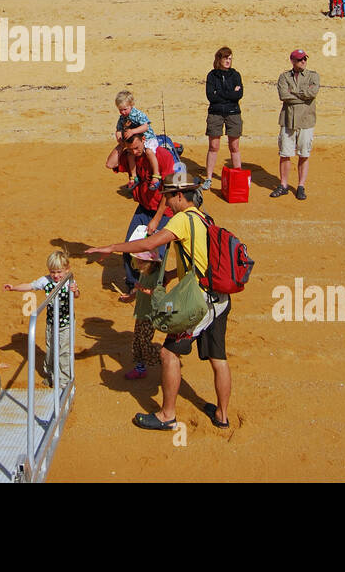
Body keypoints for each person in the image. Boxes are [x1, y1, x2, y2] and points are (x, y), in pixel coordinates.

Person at [86, 171, 232, 430]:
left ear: (178, 195)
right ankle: (221, 415)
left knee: (168, 353)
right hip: (220, 297)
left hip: (199, 303)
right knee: (218, 358)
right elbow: (200, 261)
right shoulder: (204, 217)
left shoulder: (182, 220)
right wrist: (174, 275)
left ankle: (167, 415)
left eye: (168, 196)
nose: (166, 202)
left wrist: (111, 248)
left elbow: (150, 242)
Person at [114, 130, 175, 303]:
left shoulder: (163, 155)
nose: (134, 152)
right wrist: (121, 144)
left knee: (156, 254)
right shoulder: (131, 154)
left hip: (163, 211)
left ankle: (156, 289)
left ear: (144, 140)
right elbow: (110, 162)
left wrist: (157, 218)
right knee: (129, 248)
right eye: (130, 149)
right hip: (144, 207)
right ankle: (134, 285)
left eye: (136, 147)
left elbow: (167, 190)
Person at [4, 251, 79, 383]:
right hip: (51, 322)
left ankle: (63, 380)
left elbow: (77, 294)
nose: (56, 275)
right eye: (52, 272)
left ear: (67, 269)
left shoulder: (69, 281)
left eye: (59, 272)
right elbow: (30, 286)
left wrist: (75, 290)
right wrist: (14, 288)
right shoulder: (45, 281)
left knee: (64, 351)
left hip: (66, 323)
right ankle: (50, 374)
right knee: (50, 349)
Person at [272, 49, 320, 200]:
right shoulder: (284, 76)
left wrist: (294, 93)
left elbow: (312, 93)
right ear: (292, 61)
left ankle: (301, 186)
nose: (303, 61)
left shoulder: (313, 75)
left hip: (306, 120)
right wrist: (302, 96)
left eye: (305, 58)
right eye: (300, 60)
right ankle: (284, 184)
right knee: (285, 154)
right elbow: (283, 95)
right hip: (288, 119)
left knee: (304, 153)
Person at [204, 46, 243, 191]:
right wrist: (229, 93)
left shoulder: (236, 75)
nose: (228, 61)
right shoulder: (212, 75)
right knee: (213, 146)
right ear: (219, 59)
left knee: (234, 146)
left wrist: (221, 93)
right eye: (226, 58)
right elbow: (211, 96)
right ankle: (208, 178)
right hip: (216, 113)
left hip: (233, 112)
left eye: (230, 58)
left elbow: (238, 95)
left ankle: (238, 176)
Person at [105, 90, 161, 186]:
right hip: (133, 140)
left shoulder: (138, 114)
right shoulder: (122, 118)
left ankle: (156, 174)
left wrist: (133, 131)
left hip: (148, 138)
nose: (122, 112)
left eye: (125, 109)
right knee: (130, 155)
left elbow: (145, 126)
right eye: (120, 110)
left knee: (149, 152)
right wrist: (120, 139)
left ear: (131, 105)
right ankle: (134, 176)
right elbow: (118, 130)